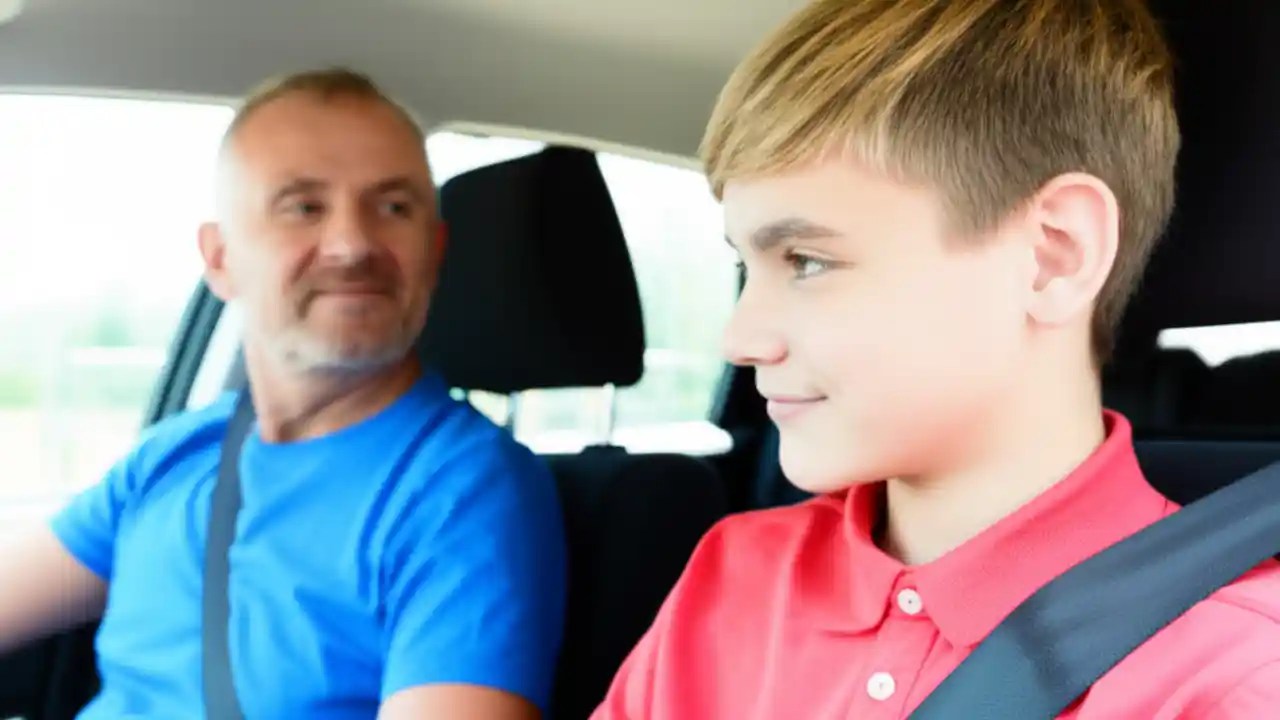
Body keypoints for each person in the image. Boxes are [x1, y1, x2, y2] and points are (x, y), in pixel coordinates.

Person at [593, 1, 1280, 718]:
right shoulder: (735, 574)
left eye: (806, 261)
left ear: (1051, 257)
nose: (741, 339)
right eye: (747, 265)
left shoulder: (1235, 670)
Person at [0, 68, 566, 719]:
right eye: (303, 206)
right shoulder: (174, 456)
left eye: (394, 207)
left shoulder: (463, 492)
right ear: (220, 259)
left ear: (434, 252)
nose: (353, 244)